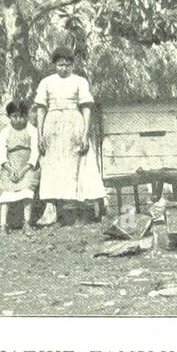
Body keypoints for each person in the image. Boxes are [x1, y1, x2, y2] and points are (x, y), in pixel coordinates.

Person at [33, 47, 103, 225]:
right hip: (53, 124)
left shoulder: (80, 81)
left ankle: (77, 210)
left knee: (75, 165)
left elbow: (86, 108)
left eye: (67, 65)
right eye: (60, 64)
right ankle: (51, 210)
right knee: (52, 164)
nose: (63, 68)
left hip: (74, 122)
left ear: (73, 65)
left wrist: (85, 134)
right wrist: (40, 135)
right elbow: (41, 109)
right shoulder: (46, 82)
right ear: (54, 64)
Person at [0, 100, 41, 234]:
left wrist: (24, 170)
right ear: (9, 117)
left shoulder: (32, 130)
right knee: (5, 191)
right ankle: (3, 224)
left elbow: (35, 152)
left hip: (28, 166)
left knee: (27, 189)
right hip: (9, 166)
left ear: (26, 116)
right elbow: (1, 153)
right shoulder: (5, 132)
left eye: (22, 116)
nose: (18, 120)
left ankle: (27, 223)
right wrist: (9, 169)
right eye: (14, 116)